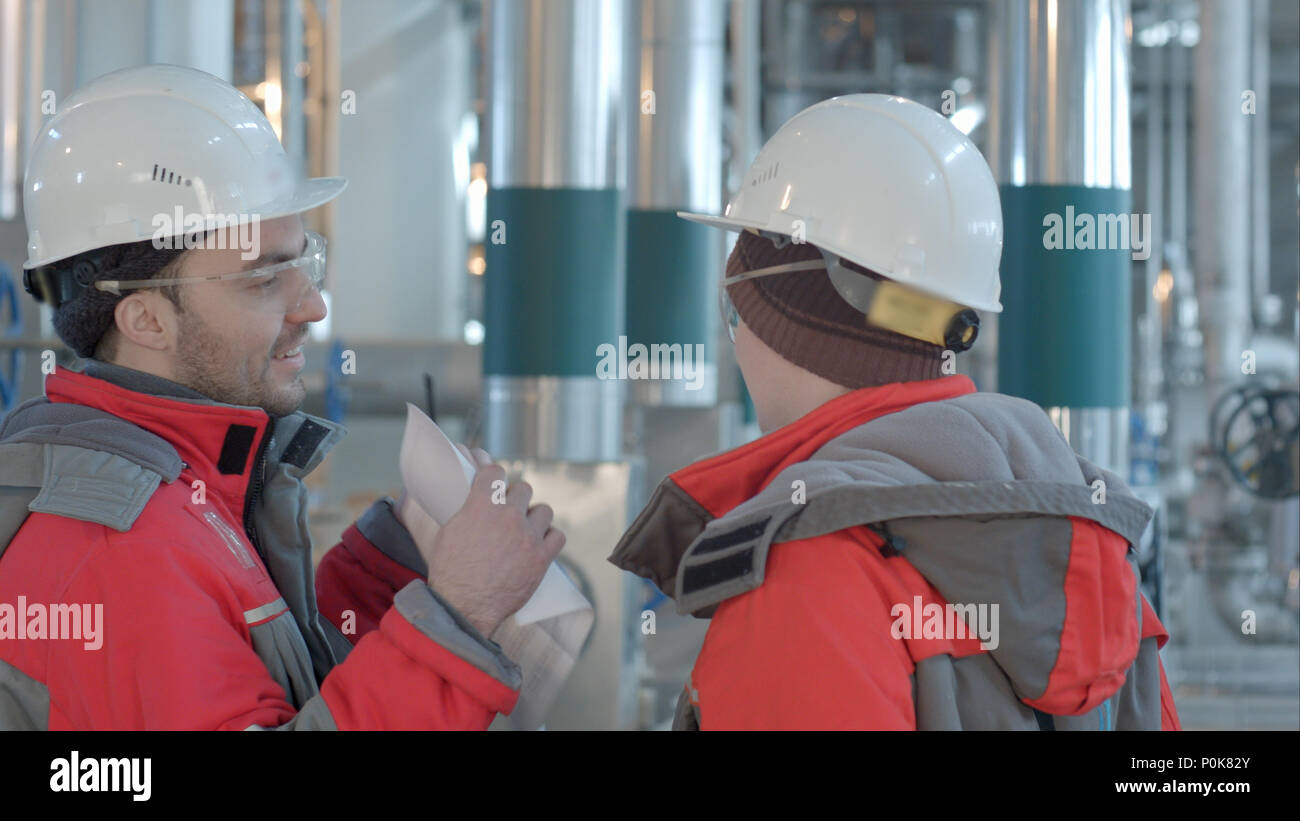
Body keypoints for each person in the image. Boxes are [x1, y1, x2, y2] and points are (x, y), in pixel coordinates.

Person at [0, 64, 564, 730]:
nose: (314, 305)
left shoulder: (183, 487)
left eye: (304, 262)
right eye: (264, 281)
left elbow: (254, 678)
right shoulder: (121, 552)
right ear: (146, 319)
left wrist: (381, 572)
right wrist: (457, 617)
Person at [609, 93, 1181, 730]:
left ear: (783, 326)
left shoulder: (804, 580)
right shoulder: (1092, 550)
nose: (733, 337)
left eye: (735, 308)